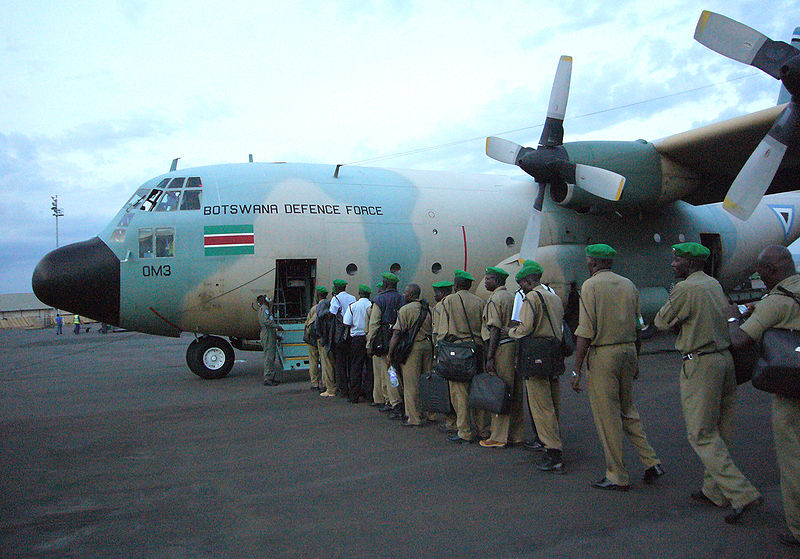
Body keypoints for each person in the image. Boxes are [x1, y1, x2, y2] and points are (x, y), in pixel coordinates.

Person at [654, 242, 761, 522]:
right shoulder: (713, 284)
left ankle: (741, 492)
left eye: (677, 260)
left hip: (700, 362)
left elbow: (662, 322)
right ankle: (714, 490)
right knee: (721, 427)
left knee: (700, 433)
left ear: (689, 263)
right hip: (724, 359)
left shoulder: (685, 289)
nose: (673, 264)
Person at [571, 244, 663, 491]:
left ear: (592, 262)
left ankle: (617, 474)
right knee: (628, 410)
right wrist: (636, 360)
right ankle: (650, 461)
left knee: (607, 416)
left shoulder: (590, 286)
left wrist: (576, 368)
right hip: (629, 350)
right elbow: (639, 326)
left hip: (604, 354)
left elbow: (585, 331)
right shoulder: (628, 285)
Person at [730, 245, 800, 546]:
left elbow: (742, 341)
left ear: (771, 271)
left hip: (791, 388)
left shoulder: (776, 302)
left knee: (792, 460)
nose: (759, 277)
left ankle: (797, 528)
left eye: (761, 272)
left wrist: (732, 317)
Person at [507, 262, 565, 473]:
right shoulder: (554, 297)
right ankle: (553, 440)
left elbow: (526, 327)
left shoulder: (531, 297)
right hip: (553, 352)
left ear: (529, 281)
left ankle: (553, 452)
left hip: (536, 354)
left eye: (521, 283)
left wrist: (511, 332)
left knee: (541, 406)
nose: (521, 288)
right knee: (553, 401)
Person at [479, 267, 525, 449]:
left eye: (488, 279)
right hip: (514, 345)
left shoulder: (494, 299)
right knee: (515, 392)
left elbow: (494, 329)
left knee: (500, 391)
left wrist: (490, 356)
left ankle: (498, 436)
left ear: (497, 281)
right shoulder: (512, 297)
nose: (485, 282)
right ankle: (516, 433)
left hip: (502, 348)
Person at [438, 269, 486, 443]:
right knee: (478, 391)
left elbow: (443, 331)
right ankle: (483, 429)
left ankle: (464, 431)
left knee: (459, 393)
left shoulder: (449, 301)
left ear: (456, 285)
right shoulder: (479, 302)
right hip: (476, 348)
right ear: (470, 285)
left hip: (457, 351)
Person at [388, 283, 432, 426]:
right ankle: (428, 413)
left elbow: (396, 333)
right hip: (427, 346)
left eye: (406, 293)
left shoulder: (405, 310)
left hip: (412, 348)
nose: (404, 295)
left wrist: (390, 354)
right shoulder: (428, 309)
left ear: (411, 295)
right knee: (426, 380)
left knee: (411, 384)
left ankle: (414, 418)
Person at [368, 273, 405, 417]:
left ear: (386, 284)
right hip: (398, 340)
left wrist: (369, 343)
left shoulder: (379, 300)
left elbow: (374, 324)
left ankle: (395, 403)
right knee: (394, 371)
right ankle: (393, 400)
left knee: (389, 372)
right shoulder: (402, 299)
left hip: (383, 342)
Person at [431, 280, 457, 433]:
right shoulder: (475, 301)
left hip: (447, 351)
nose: (434, 295)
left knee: (449, 390)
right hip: (469, 349)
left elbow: (438, 332)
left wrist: (436, 355)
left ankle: (453, 423)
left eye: (436, 292)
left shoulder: (441, 306)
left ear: (442, 293)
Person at [343, 284, 373, 403]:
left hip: (356, 339)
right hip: (369, 337)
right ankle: (370, 394)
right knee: (370, 367)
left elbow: (347, 323)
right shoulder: (372, 306)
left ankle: (354, 396)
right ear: (369, 294)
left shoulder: (353, 306)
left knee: (356, 366)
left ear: (359, 294)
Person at [330, 279, 356, 399]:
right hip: (351, 332)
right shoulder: (352, 298)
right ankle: (353, 387)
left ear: (336, 288)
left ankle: (343, 389)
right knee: (351, 362)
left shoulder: (335, 299)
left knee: (340, 363)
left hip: (340, 335)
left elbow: (332, 313)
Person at [315, 286, 337, 398]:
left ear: (318, 295)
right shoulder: (330, 304)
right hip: (333, 338)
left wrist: (320, 336)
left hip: (324, 339)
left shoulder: (319, 307)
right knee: (333, 363)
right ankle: (334, 386)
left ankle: (330, 389)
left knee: (327, 364)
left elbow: (317, 324)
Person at [257, 295, 284, 386]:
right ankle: (268, 377)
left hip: (270, 334)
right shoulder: (264, 309)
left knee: (271, 357)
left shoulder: (265, 309)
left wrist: (276, 336)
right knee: (269, 357)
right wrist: (277, 326)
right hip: (267, 334)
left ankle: (271, 376)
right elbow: (266, 322)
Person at [305, 289, 324, 391]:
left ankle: (315, 383)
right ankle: (325, 383)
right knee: (325, 362)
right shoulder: (327, 307)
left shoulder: (313, 309)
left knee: (313, 361)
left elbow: (307, 322)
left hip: (312, 338)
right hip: (322, 338)